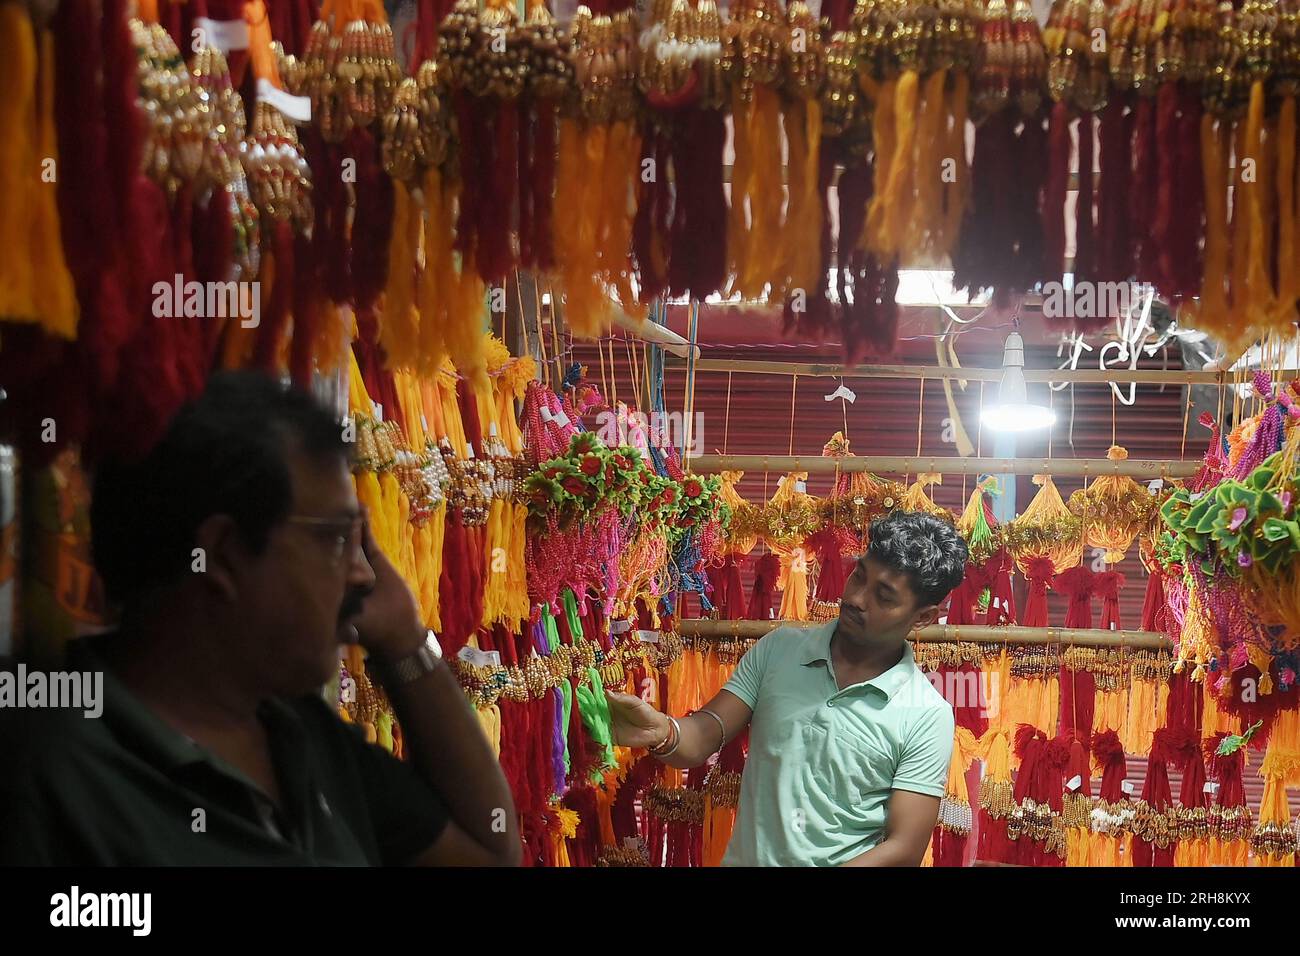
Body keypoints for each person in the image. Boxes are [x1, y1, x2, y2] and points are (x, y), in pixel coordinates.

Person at [0, 371, 520, 866]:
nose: (363, 574)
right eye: (337, 539)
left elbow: (488, 850)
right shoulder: (50, 774)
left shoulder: (300, 733)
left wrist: (406, 641)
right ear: (222, 554)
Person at [607, 509, 968, 866]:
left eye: (884, 597)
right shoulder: (779, 649)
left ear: (923, 617)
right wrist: (663, 732)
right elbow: (704, 734)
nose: (856, 598)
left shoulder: (926, 714)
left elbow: (904, 848)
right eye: (858, 577)